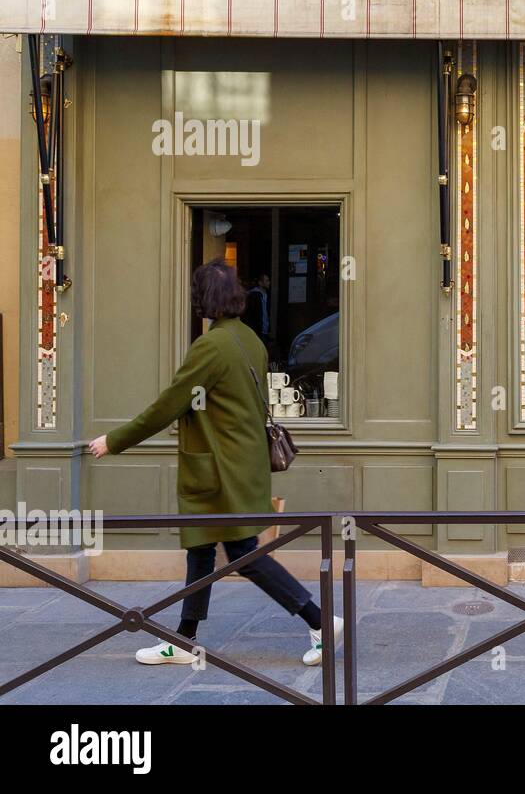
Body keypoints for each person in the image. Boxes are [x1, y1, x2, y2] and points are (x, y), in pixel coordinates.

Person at [89, 260, 340, 668]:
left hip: (219, 470)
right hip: (237, 464)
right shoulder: (249, 340)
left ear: (202, 300)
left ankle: (321, 621)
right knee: (201, 549)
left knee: (244, 554)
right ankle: (184, 640)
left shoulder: (210, 346)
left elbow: (167, 405)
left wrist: (113, 440)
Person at [242, 273, 272, 346]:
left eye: (269, 280)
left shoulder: (265, 294)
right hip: (258, 329)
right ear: (260, 283)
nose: (269, 282)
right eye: (267, 281)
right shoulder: (255, 296)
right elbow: (253, 313)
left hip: (264, 328)